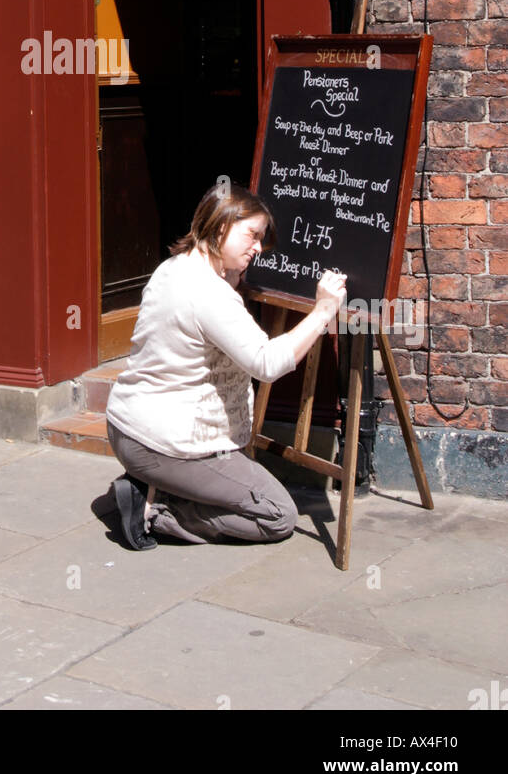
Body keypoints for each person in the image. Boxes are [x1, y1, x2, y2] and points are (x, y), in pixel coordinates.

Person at [105, 182, 347, 549]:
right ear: (221, 225)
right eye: (251, 235)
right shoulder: (209, 293)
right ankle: (157, 510)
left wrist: (229, 280)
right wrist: (324, 311)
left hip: (125, 429)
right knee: (278, 514)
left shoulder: (173, 268)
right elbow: (267, 362)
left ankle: (152, 484)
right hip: (166, 445)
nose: (258, 248)